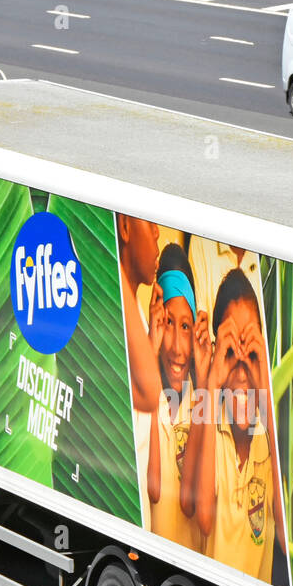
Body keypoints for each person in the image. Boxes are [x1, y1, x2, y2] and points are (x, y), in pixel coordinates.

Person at [188, 268, 285, 583]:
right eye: (231, 352)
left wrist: (264, 385)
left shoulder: (269, 446)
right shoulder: (211, 433)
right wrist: (214, 377)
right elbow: (204, 517)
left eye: (252, 354)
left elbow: (286, 536)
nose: (242, 369)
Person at [146, 245, 203, 551]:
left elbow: (193, 501)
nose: (179, 348)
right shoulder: (146, 397)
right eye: (169, 323)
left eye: (186, 326)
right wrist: (150, 350)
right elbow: (153, 487)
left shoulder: (203, 402)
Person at [118, 212, 163, 528]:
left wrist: (152, 342)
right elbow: (148, 393)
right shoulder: (117, 297)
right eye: (150, 222)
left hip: (137, 511)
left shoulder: (135, 312)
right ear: (123, 226)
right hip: (125, 507)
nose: (158, 232)